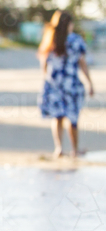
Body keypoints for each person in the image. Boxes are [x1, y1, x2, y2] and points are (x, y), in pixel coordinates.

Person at [38, 9, 95, 158]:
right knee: (73, 118)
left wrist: (46, 80)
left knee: (57, 117)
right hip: (71, 85)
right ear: (69, 24)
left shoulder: (50, 39)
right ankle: (74, 150)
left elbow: (44, 63)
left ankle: (59, 149)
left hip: (54, 84)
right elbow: (82, 63)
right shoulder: (76, 40)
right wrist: (90, 83)